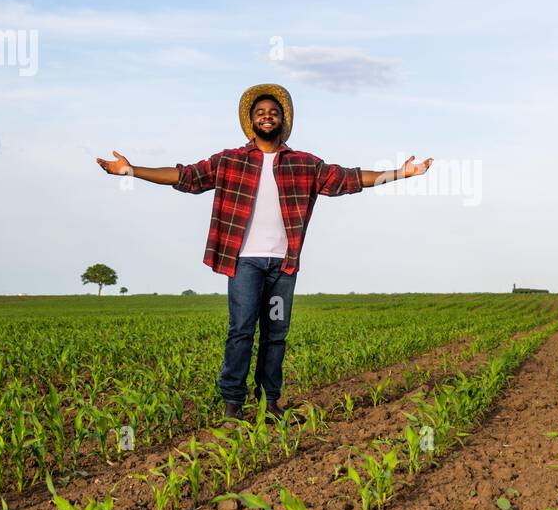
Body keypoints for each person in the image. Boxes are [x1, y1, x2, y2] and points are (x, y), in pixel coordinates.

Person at [96, 83, 432, 420]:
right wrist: (130, 170)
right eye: (260, 113)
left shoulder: (304, 164)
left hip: (283, 266)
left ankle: (270, 404)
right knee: (241, 329)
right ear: (251, 121)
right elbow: (185, 176)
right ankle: (233, 406)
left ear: (283, 121)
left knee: (276, 334)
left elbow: (350, 179)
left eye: (273, 112)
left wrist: (400, 173)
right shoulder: (229, 160)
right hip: (244, 262)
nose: (267, 117)